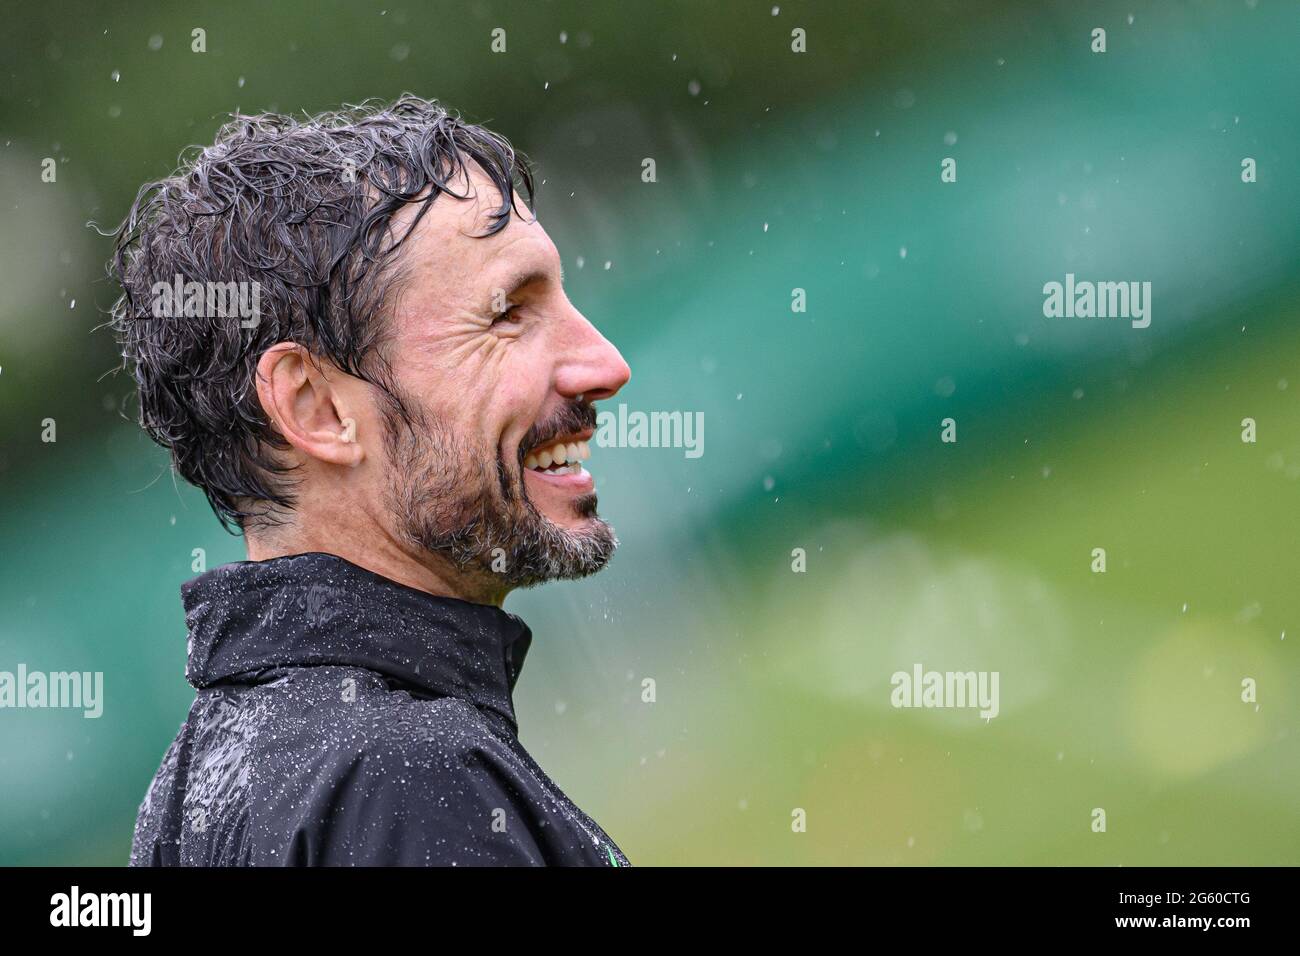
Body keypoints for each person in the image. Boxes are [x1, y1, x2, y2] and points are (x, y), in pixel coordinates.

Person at [110, 95, 633, 866]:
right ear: (317, 408)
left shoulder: (195, 789)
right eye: (507, 315)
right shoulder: (401, 781)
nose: (605, 365)